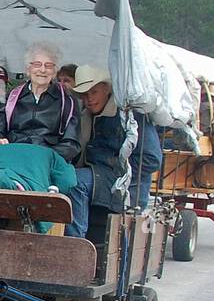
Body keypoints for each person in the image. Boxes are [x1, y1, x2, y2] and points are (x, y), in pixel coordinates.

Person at [62, 65, 162, 237]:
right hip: (98, 178)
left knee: (75, 182)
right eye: (85, 95)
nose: (89, 99)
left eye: (94, 93)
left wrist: (117, 166)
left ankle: (75, 248)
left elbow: (152, 159)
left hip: (128, 185)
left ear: (106, 89)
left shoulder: (130, 115)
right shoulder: (85, 117)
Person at [0, 43, 82, 164]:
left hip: (47, 161)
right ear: (28, 69)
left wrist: (43, 156)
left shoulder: (68, 102)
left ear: (54, 72)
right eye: (37, 64)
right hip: (11, 156)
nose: (42, 70)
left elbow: (71, 144)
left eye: (49, 65)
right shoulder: (9, 98)